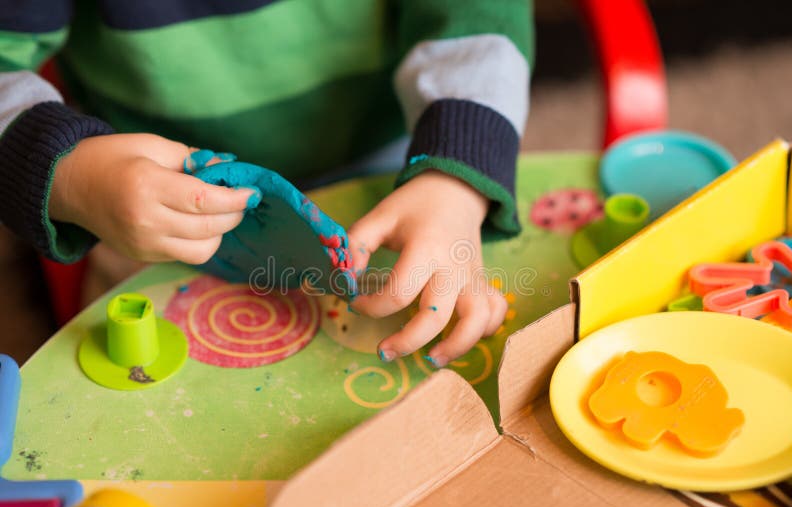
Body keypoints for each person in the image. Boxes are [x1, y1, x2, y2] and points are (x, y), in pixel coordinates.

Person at [0, 0, 532, 366]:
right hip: (154, 218)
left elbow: (479, 14)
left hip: (404, 192)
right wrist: (74, 175)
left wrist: (455, 177)